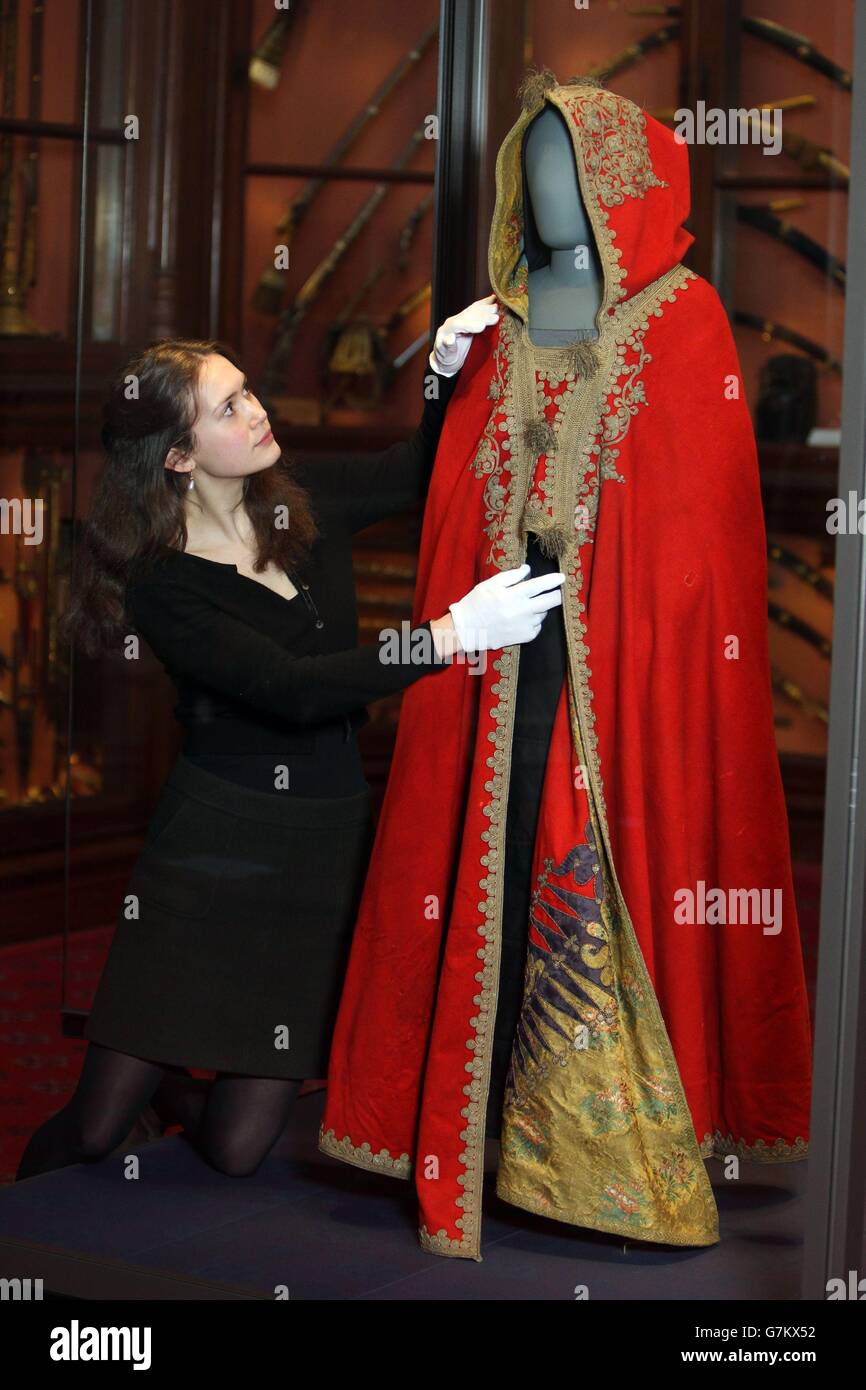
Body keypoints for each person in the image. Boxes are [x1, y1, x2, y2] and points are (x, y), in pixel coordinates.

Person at [15, 302, 565, 1183]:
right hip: (210, 854)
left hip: (319, 843)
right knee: (92, 1126)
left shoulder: (297, 502)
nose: (257, 409)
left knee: (237, 1152)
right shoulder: (162, 584)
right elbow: (293, 692)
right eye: (228, 407)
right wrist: (447, 635)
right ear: (180, 458)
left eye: (246, 390)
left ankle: (178, 1101)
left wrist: (443, 374)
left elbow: (424, 471)